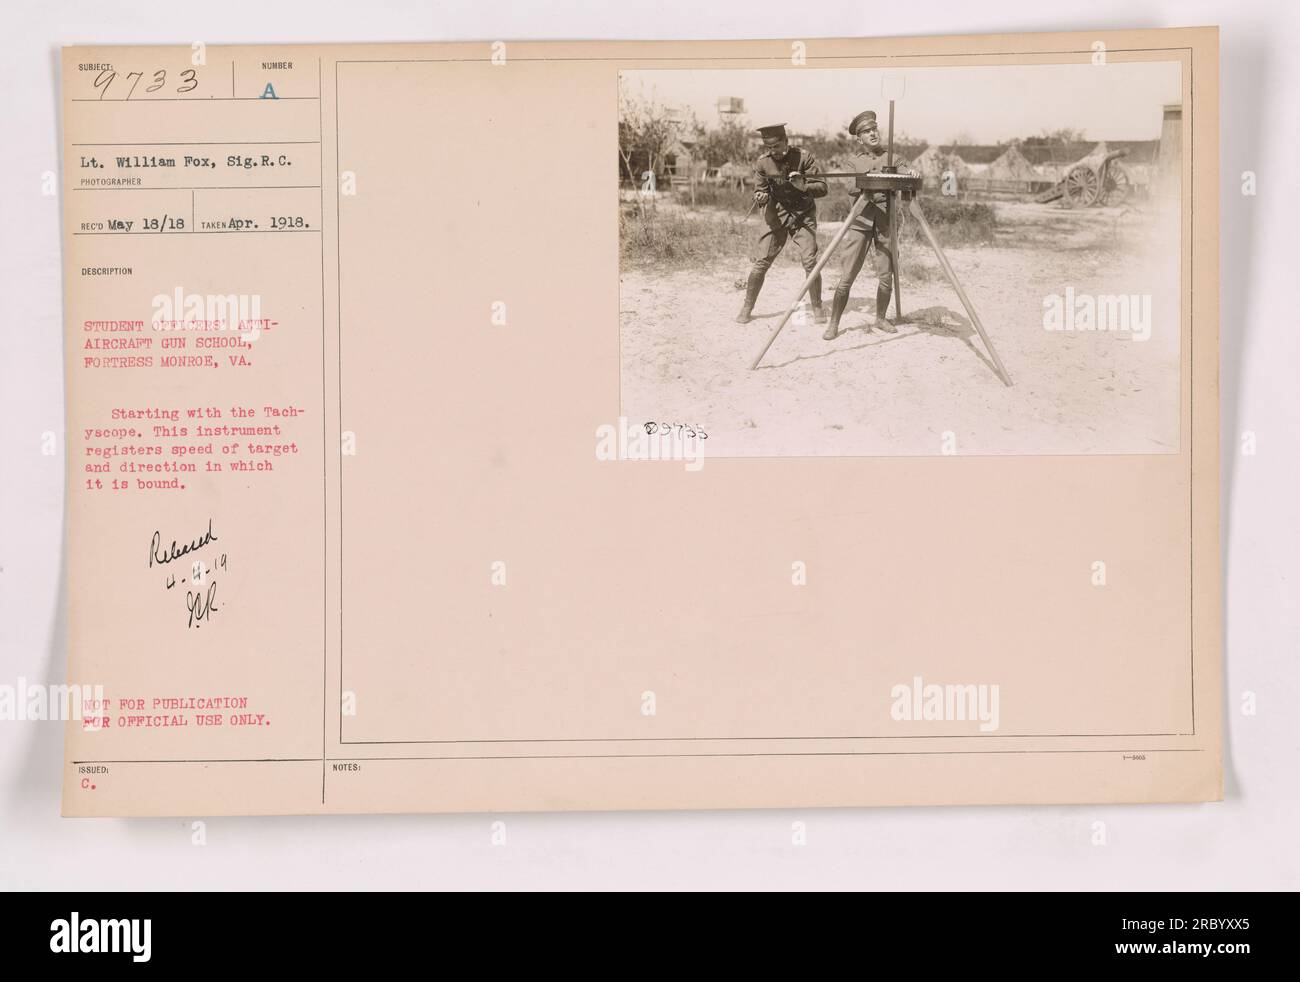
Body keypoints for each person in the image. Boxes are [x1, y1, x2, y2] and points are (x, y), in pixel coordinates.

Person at [823, 110, 919, 341]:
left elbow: (906, 175)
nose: (872, 134)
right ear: (859, 138)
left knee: (886, 275)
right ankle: (834, 323)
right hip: (861, 222)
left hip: (886, 223)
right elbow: (851, 187)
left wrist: (910, 173)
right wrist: (875, 179)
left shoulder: (893, 159)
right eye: (866, 131)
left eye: (874, 129)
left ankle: (880, 318)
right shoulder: (853, 161)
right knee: (847, 276)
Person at [736, 123, 828, 324]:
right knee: (761, 262)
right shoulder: (763, 163)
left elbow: (822, 188)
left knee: (810, 261)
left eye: (776, 146)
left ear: (786, 141)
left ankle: (818, 306)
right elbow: (760, 190)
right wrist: (761, 196)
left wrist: (803, 186)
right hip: (776, 215)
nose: (773, 152)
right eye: (768, 148)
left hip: (802, 214)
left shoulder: (804, 157)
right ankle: (747, 307)